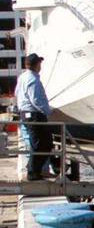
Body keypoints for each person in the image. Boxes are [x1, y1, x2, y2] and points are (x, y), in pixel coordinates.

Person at [16, 53, 53, 182]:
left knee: (39, 143)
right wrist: (48, 110)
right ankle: (32, 173)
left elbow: (17, 93)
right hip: (34, 116)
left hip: (26, 114)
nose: (40, 66)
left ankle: (33, 169)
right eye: (40, 63)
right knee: (44, 143)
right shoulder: (33, 80)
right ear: (37, 65)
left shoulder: (22, 77)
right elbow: (36, 100)